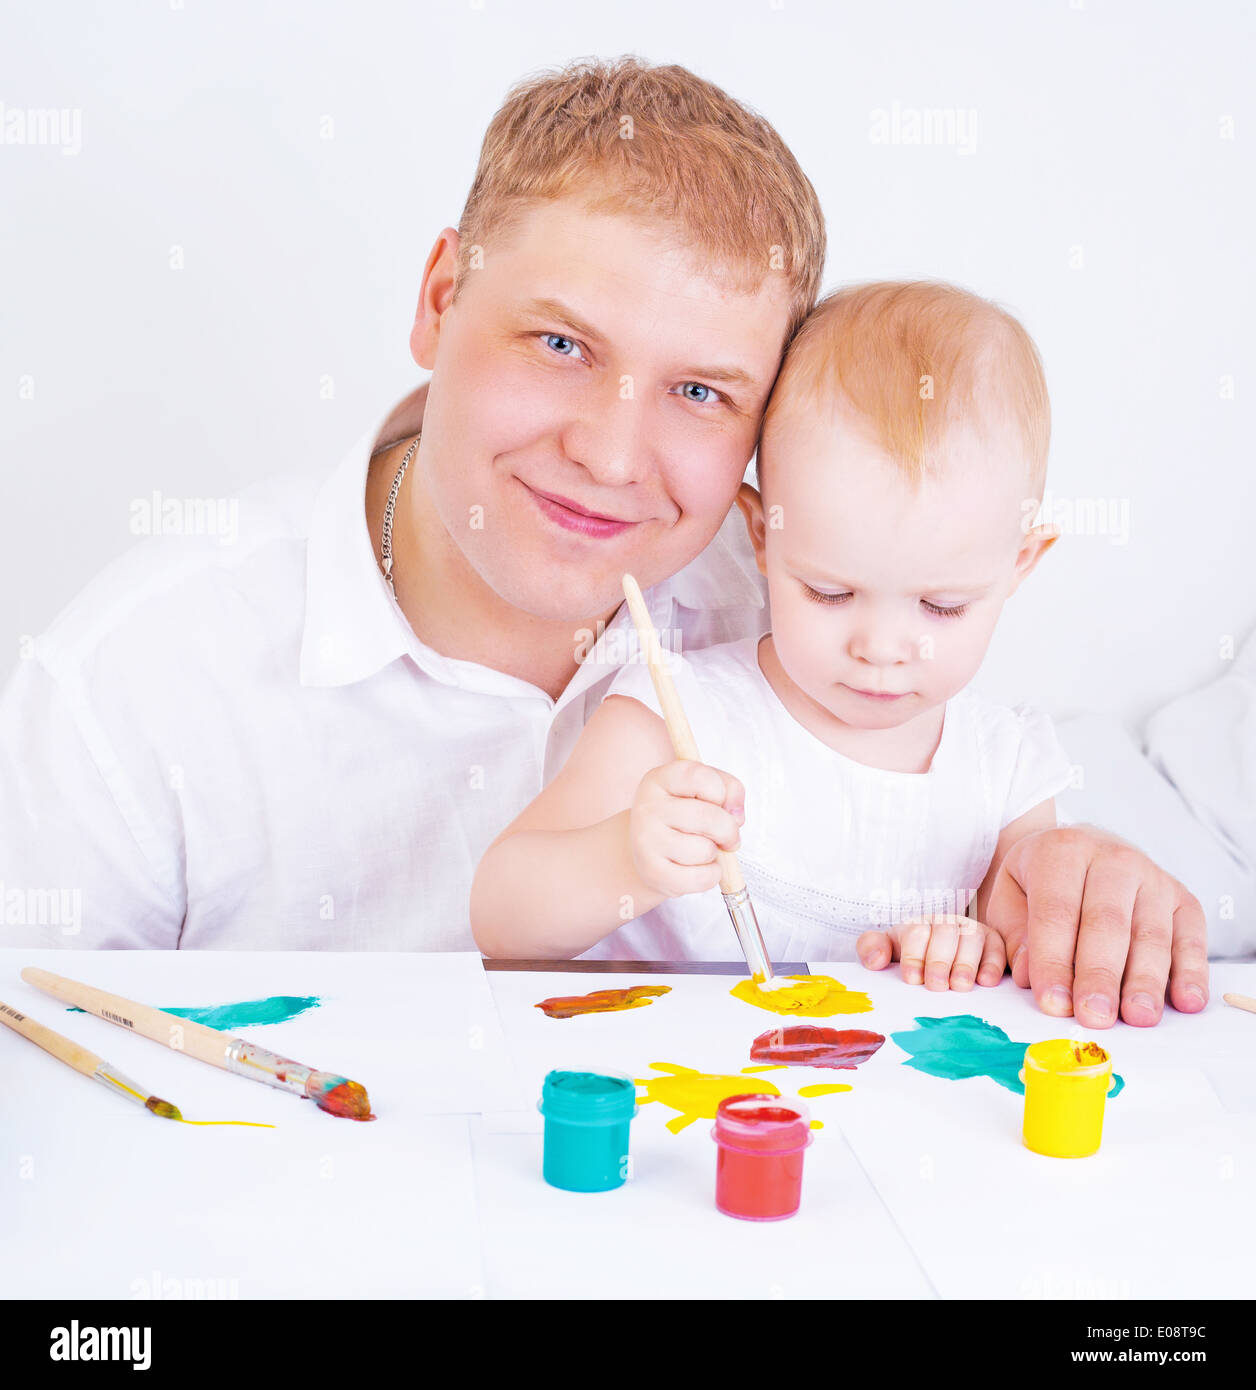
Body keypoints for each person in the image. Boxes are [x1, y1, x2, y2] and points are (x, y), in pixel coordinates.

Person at [0, 57, 1207, 1028]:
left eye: (698, 393)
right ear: (436, 299)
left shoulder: (813, 613)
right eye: (561, 345)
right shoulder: (135, 684)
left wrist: (1067, 880)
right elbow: (36, 1067)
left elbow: (966, 810)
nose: (612, 456)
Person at [473, 280, 1073, 990]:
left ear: (1019, 566)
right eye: (830, 592)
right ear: (762, 537)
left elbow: (1038, 954)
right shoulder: (678, 716)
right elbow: (499, 916)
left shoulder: (1008, 771)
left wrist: (980, 949)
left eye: (942, 607)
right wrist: (625, 861)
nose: (880, 648)